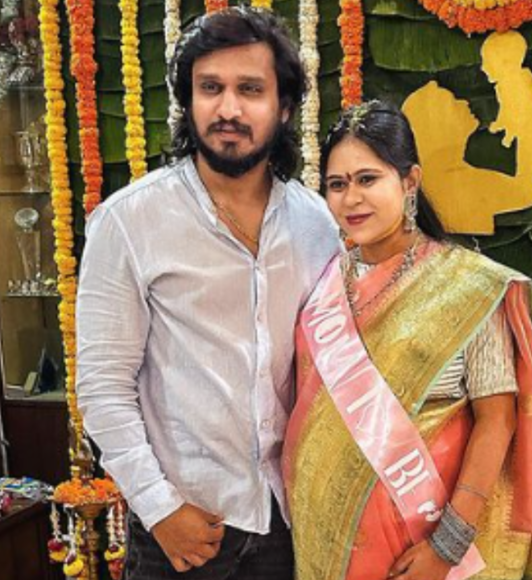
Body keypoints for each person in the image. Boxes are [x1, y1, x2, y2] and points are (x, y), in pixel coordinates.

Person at [75, 7, 340, 580]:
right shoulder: (131, 220)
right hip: (183, 529)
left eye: (251, 89)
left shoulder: (316, 224)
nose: (228, 109)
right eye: (210, 88)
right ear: (188, 101)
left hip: (287, 522)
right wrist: (160, 507)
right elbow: (102, 385)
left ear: (284, 106)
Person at [283, 101, 532, 580]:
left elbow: (497, 421)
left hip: (428, 541)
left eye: (368, 179)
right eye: (337, 184)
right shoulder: (321, 286)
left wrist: (447, 545)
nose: (352, 199)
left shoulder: (468, 286)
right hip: (326, 541)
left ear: (409, 181)